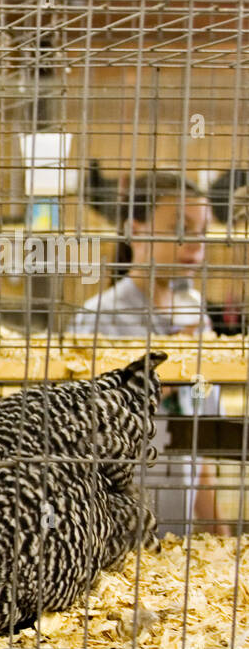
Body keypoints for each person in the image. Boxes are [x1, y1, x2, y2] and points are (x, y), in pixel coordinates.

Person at [67, 170, 228, 537]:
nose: (194, 244)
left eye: (202, 231)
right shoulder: (97, 319)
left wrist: (218, 532)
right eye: (180, 227)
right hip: (112, 534)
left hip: (178, 541)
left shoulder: (196, 314)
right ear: (136, 229)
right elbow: (82, 436)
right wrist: (175, 369)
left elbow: (198, 438)